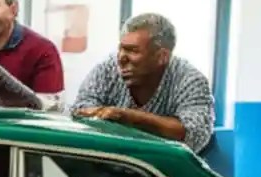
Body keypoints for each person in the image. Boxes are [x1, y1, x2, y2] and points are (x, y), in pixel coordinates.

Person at [70, 12, 215, 154]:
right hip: (112, 161)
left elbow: (195, 134)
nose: (121, 58)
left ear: (162, 56)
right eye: (120, 48)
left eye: (132, 50)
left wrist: (130, 118)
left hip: (166, 167)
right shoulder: (108, 68)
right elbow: (80, 110)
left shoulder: (189, 79)